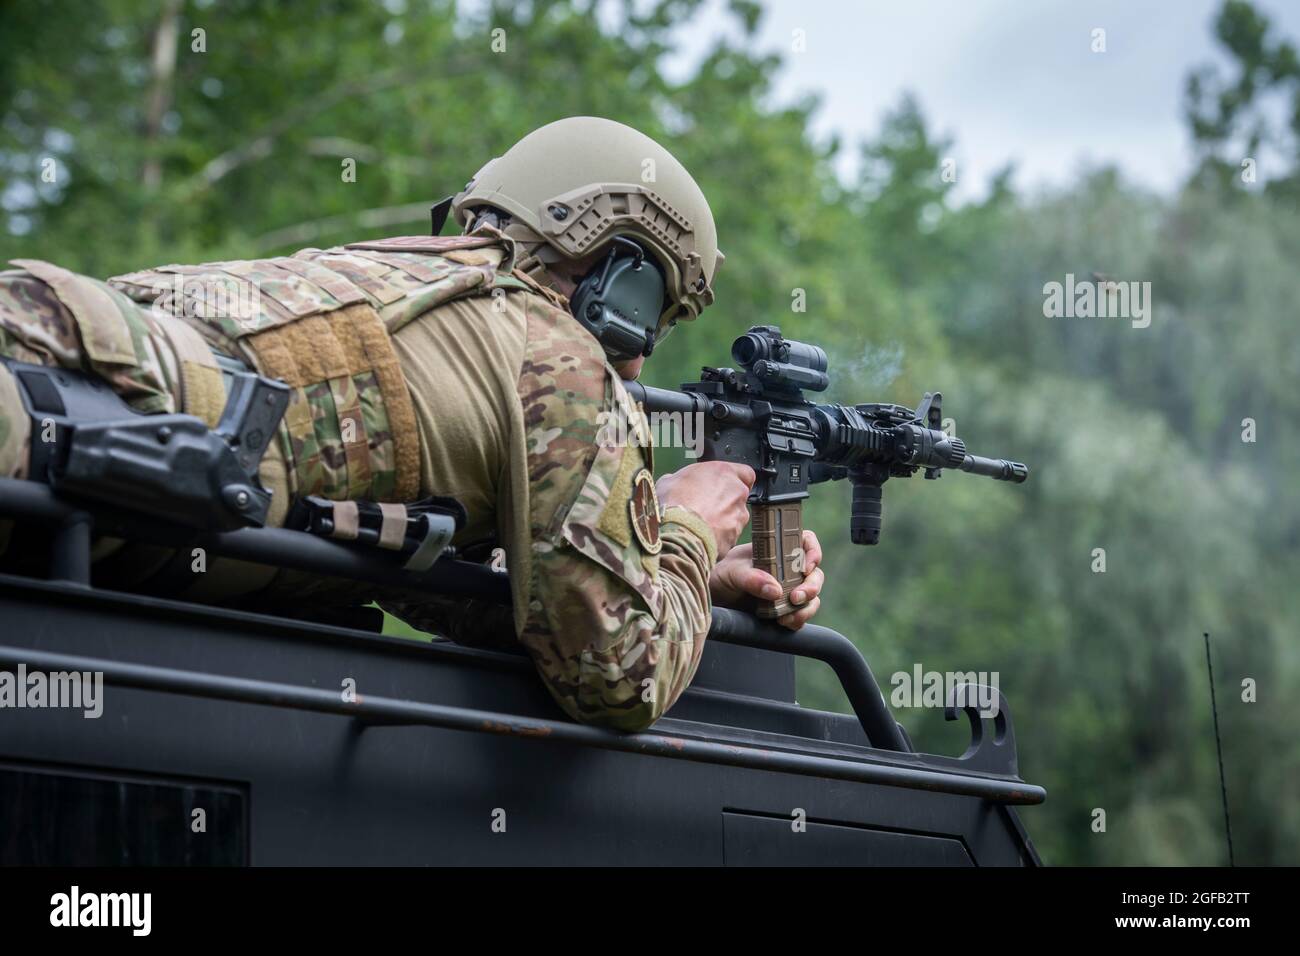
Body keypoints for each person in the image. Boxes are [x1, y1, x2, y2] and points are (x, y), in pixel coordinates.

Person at [0, 116, 824, 731]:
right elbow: (618, 677)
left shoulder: (386, 279)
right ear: (622, 274)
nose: (641, 363)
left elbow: (393, 547)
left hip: (49, 356)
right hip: (67, 429)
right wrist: (684, 532)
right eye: (658, 314)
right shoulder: (560, 357)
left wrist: (665, 570)